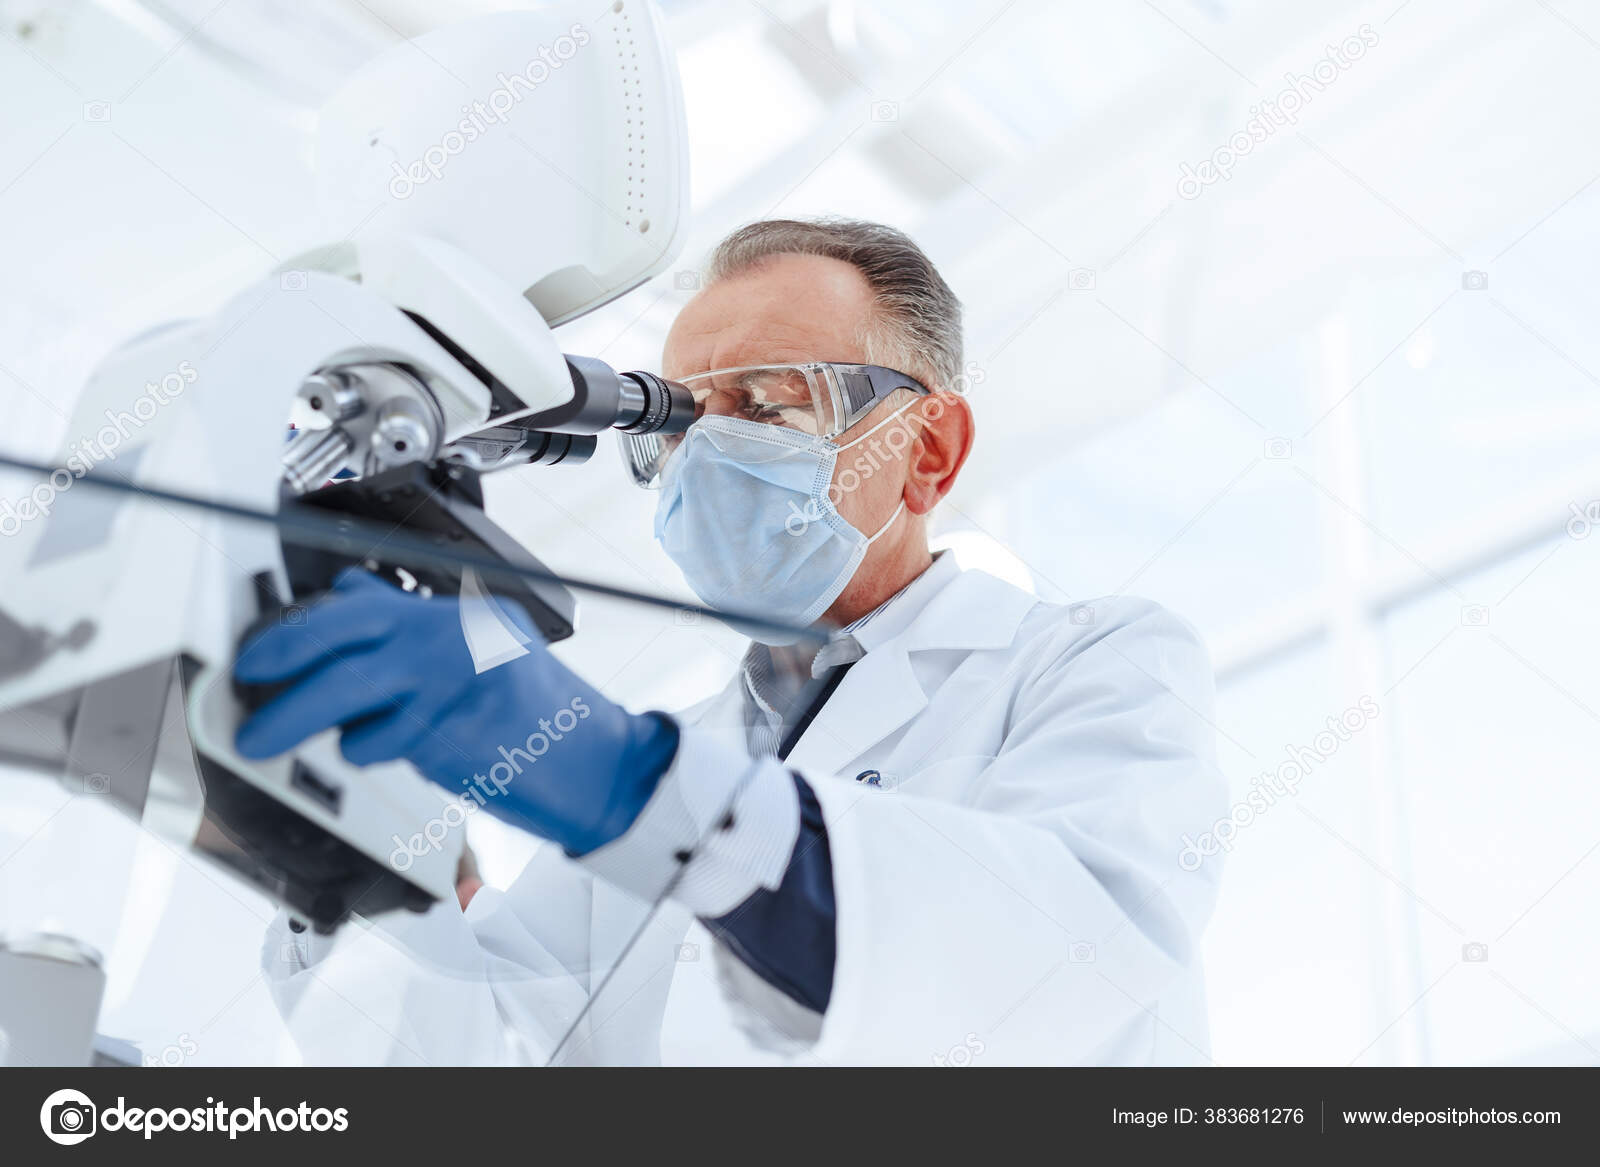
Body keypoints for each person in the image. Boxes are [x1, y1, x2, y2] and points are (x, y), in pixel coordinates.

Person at [238, 218, 1227, 1065]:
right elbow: (480, 1068)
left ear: (926, 451)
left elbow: (1046, 967)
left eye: (766, 403)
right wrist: (337, 860)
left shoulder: (1095, 665)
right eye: (675, 420)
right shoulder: (673, 748)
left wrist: (635, 789)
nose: (704, 453)